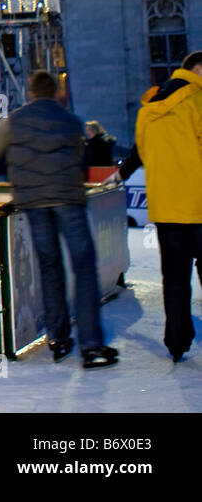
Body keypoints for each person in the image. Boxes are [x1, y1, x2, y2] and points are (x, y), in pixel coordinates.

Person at [0, 70, 118, 369]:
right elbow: (81, 162)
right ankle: (91, 345)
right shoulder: (72, 122)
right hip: (67, 200)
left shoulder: (15, 121)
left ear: (31, 92)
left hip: (34, 203)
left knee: (50, 268)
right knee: (84, 265)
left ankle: (58, 337)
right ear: (56, 91)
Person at [111, 50, 202, 362]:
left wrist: (117, 176)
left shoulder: (148, 111)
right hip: (199, 205)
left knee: (174, 279)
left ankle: (177, 341)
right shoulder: (198, 101)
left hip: (166, 210)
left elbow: (141, 154)